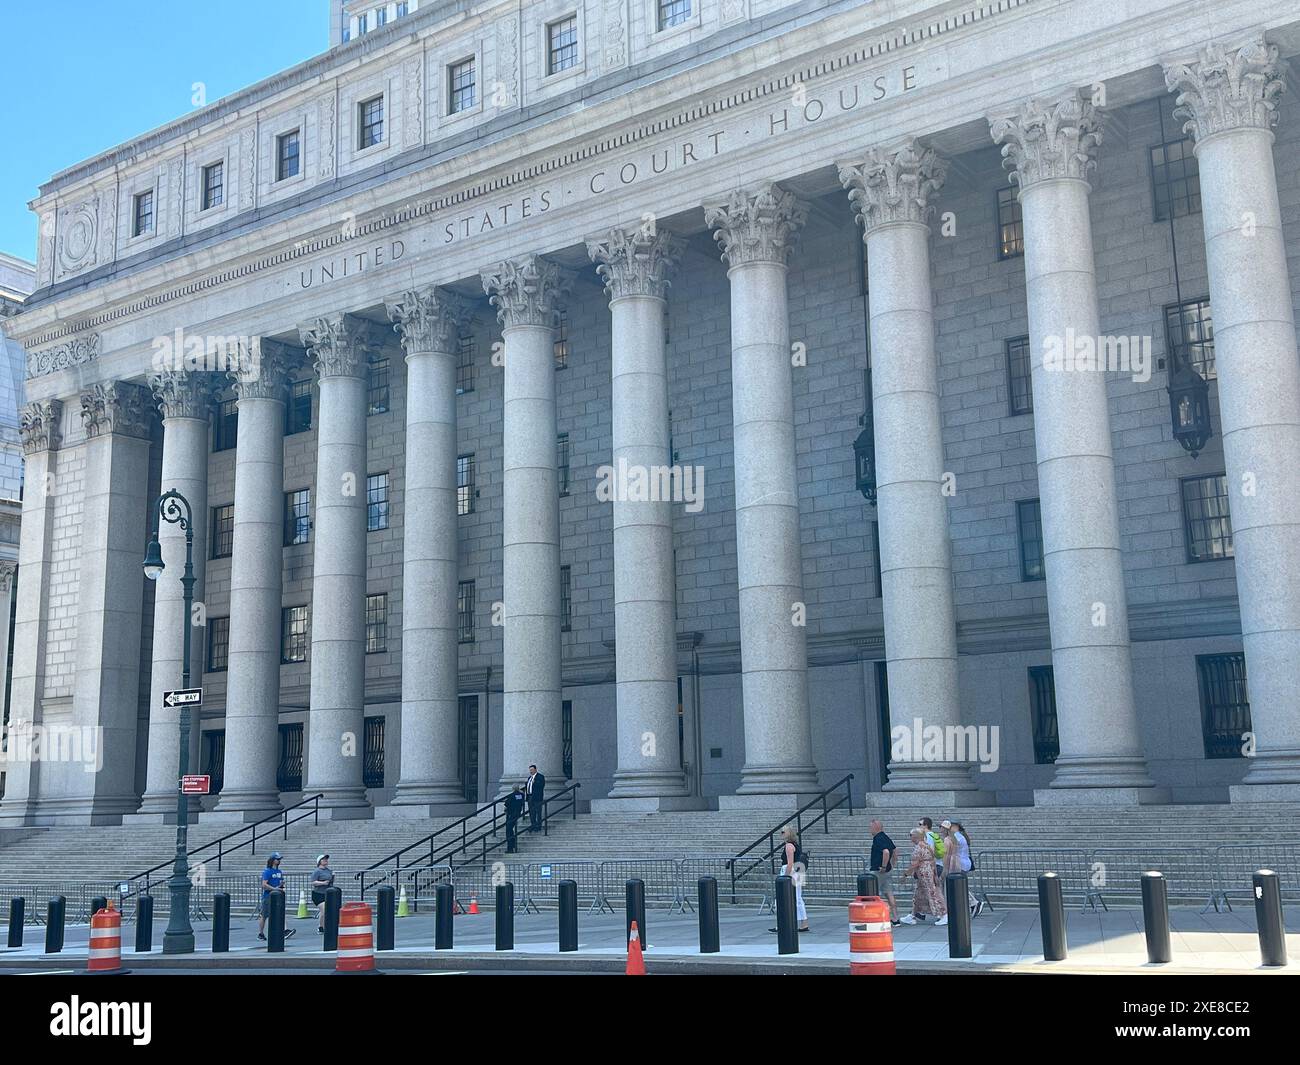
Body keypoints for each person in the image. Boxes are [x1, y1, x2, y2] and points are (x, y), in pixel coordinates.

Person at [768, 824, 811, 934]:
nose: (781, 834)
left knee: (783, 898)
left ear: (788, 833)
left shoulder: (788, 846)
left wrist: (785, 877)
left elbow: (790, 863)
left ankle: (782, 923)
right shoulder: (796, 845)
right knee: (798, 898)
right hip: (799, 870)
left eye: (783, 832)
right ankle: (803, 923)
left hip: (791, 871)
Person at [900, 828, 947, 926]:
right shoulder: (927, 846)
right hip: (927, 873)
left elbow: (914, 864)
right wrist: (935, 875)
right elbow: (933, 861)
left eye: (910, 835)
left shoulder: (918, 848)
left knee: (931, 894)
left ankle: (943, 914)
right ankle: (913, 915)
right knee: (918, 895)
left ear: (916, 836)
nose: (910, 837)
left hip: (924, 874)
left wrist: (905, 874)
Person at [868, 818, 900, 925]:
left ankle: (877, 916)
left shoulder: (878, 838)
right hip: (888, 871)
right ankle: (895, 918)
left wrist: (883, 866)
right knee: (889, 893)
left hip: (878, 871)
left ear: (875, 827)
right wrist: (893, 864)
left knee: (873, 894)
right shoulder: (886, 837)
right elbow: (895, 850)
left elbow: (886, 852)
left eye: (870, 827)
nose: (870, 830)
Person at [257, 853, 295, 941]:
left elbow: (279, 883)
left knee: (281, 912)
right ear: (273, 860)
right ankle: (260, 933)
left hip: (277, 895)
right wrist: (274, 889)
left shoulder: (279, 872)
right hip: (268, 896)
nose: (279, 861)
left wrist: (281, 886)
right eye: (277, 859)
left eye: (279, 859)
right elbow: (264, 884)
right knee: (264, 915)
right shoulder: (267, 871)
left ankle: (285, 930)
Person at [310, 854, 334, 933]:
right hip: (318, 894)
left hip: (326, 893)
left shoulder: (328, 870)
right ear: (319, 861)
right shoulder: (317, 871)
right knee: (324, 909)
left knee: (325, 910)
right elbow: (313, 882)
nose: (325, 861)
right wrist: (323, 883)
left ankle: (323, 926)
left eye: (326, 859)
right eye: (323, 859)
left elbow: (330, 881)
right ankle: (321, 927)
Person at [920, 816, 945, 883]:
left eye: (920, 824)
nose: (919, 827)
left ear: (926, 825)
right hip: (938, 864)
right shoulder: (934, 835)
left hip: (933, 866)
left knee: (931, 890)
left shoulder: (928, 836)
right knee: (935, 889)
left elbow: (931, 852)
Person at [525, 764, 546, 832]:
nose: (531, 771)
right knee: (532, 812)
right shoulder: (529, 778)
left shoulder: (540, 777)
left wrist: (535, 783)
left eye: (532, 770)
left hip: (537, 798)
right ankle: (533, 825)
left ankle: (538, 826)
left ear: (535, 769)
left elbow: (541, 785)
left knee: (538, 812)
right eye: (530, 770)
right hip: (530, 797)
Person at [504, 786, 525, 853]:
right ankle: (513, 844)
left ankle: (510, 847)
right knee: (510, 829)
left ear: (513, 789)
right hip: (518, 813)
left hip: (511, 814)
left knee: (508, 829)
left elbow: (507, 803)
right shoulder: (521, 795)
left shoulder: (512, 795)